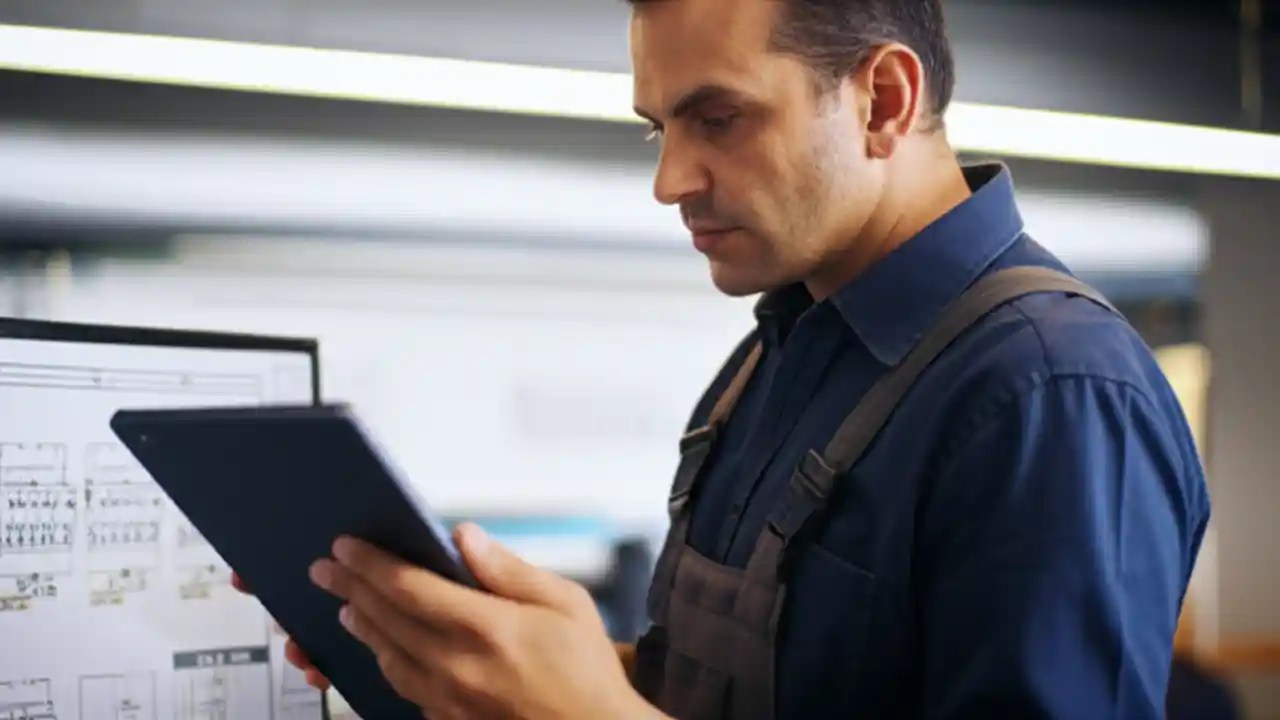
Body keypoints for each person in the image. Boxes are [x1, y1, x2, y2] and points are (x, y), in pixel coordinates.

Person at [237, 0, 1212, 716]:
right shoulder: (770, 360)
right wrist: (502, 661)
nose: (668, 181)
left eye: (718, 118)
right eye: (659, 130)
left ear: (880, 97)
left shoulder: (1049, 393)